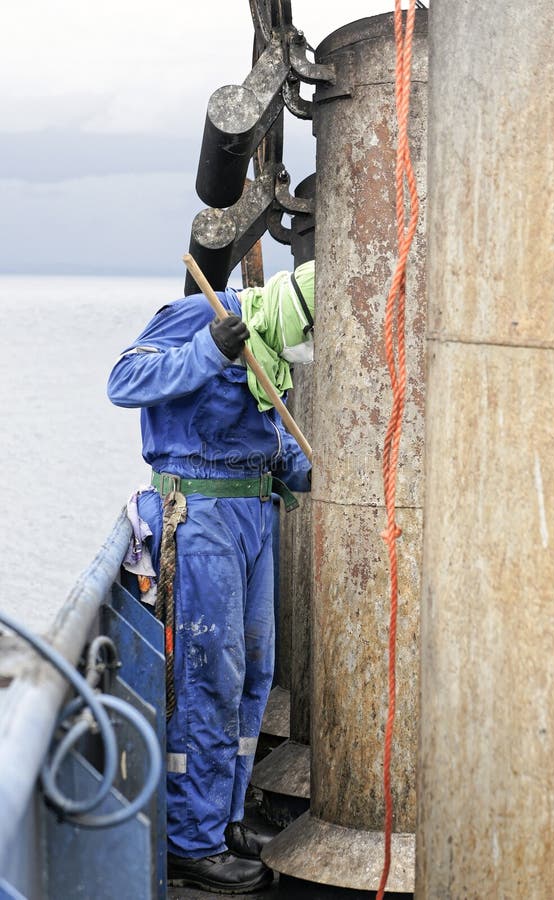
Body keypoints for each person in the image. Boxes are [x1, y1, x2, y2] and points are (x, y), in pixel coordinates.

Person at [107, 260, 314, 894]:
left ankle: (225, 817)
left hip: (254, 514)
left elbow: (263, 432)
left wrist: (307, 466)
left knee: (252, 674)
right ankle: (191, 842)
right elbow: (124, 381)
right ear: (292, 312)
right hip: (198, 517)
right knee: (207, 679)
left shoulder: (271, 347)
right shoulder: (204, 313)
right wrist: (208, 349)